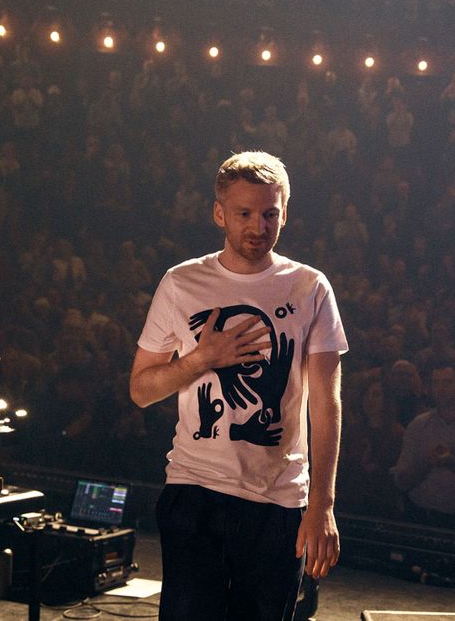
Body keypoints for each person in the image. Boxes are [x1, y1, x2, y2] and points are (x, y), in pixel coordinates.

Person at [130, 151, 347, 620]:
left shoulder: (309, 287)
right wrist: (204, 359)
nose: (258, 226)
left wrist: (322, 505)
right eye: (245, 214)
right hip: (194, 488)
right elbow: (142, 389)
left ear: (284, 213)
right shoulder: (182, 282)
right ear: (219, 213)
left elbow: (325, 407)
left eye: (270, 214)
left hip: (278, 498)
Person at [391, 363, 455, 529]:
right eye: (436, 383)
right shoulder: (418, 425)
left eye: (447, 383)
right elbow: (401, 480)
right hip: (419, 516)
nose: (440, 389)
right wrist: (428, 462)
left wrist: (451, 462)